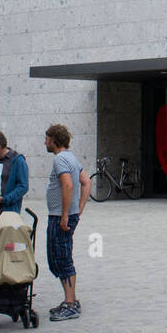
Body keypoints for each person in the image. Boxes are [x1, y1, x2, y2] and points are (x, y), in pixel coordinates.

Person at [44, 124, 91, 320]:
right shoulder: (71, 157)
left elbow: (68, 184)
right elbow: (86, 181)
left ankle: (70, 304)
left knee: (61, 258)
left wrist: (65, 215)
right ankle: (70, 300)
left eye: (47, 139)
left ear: (54, 140)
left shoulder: (60, 158)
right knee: (60, 256)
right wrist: (78, 210)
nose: (45, 142)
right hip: (65, 215)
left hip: (59, 217)